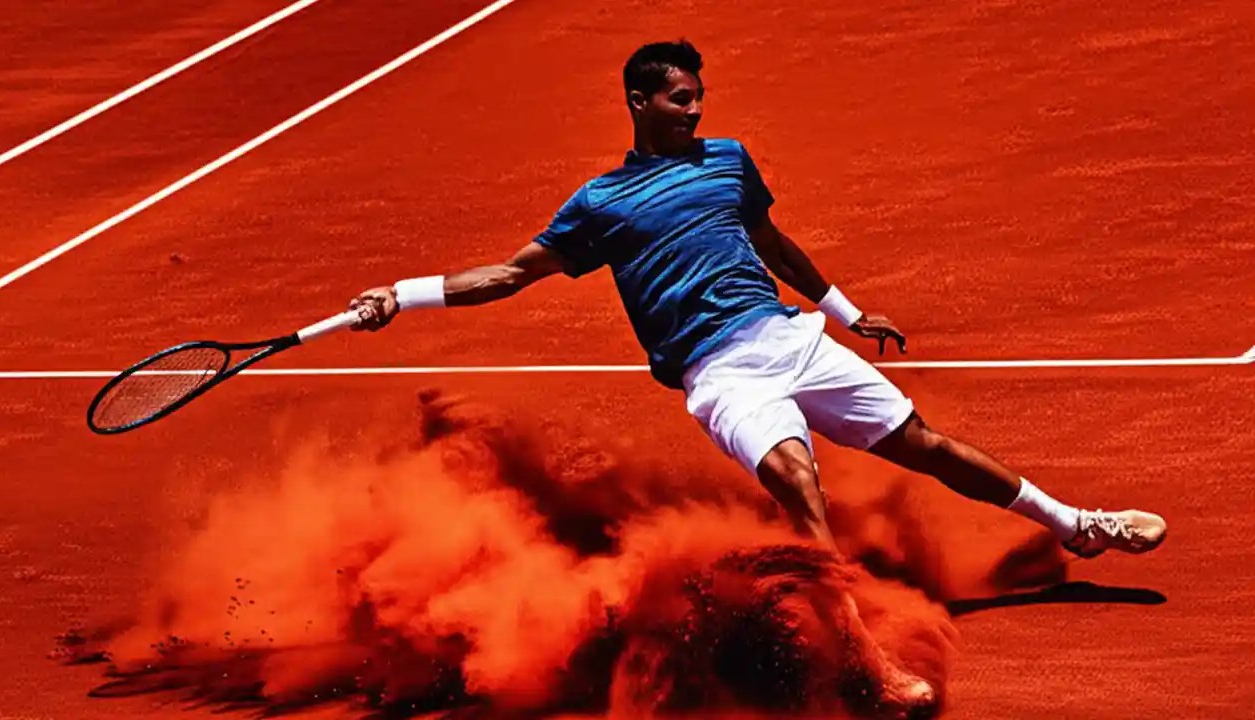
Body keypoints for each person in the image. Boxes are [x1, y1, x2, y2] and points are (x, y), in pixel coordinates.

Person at [350, 40, 1166, 716]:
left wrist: (847, 312)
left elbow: (770, 243)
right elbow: (506, 276)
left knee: (927, 446)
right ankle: (866, 664)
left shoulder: (729, 162)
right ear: (638, 103)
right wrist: (401, 294)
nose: (695, 110)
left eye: (698, 97)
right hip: (720, 374)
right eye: (678, 100)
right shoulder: (599, 204)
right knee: (799, 485)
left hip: (791, 339)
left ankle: (1075, 524)